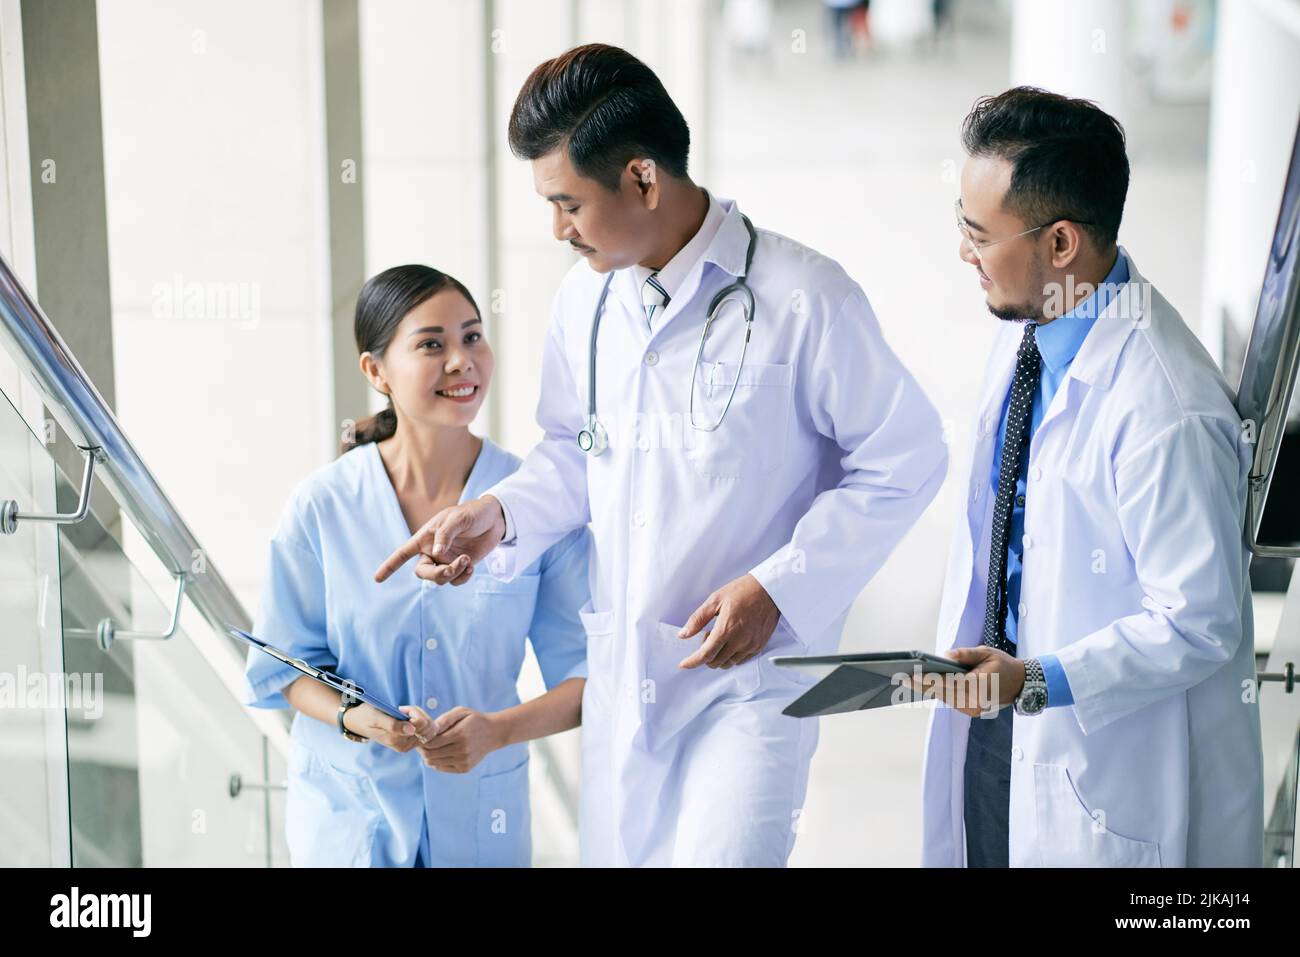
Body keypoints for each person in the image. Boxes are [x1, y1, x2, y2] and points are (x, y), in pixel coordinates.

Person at [376, 44, 947, 866]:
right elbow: (576, 456)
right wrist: (495, 515)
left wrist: (778, 587)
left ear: (642, 179)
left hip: (747, 684)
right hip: (625, 678)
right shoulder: (585, 300)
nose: (557, 229)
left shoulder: (803, 299)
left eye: (568, 203)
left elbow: (907, 455)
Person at [922, 86, 1263, 867]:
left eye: (979, 234)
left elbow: (1198, 618)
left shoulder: (1164, 407)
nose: (963, 253)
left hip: (1090, 757)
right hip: (1000, 715)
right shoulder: (1033, 326)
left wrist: (1039, 678)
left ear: (1062, 243)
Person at [243, 265, 591, 867]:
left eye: (473, 336)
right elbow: (284, 667)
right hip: (349, 819)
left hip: (480, 823)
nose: (462, 361)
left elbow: (593, 679)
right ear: (375, 370)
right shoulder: (323, 506)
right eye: (432, 344)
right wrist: (356, 719)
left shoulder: (531, 501)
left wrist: (497, 731)